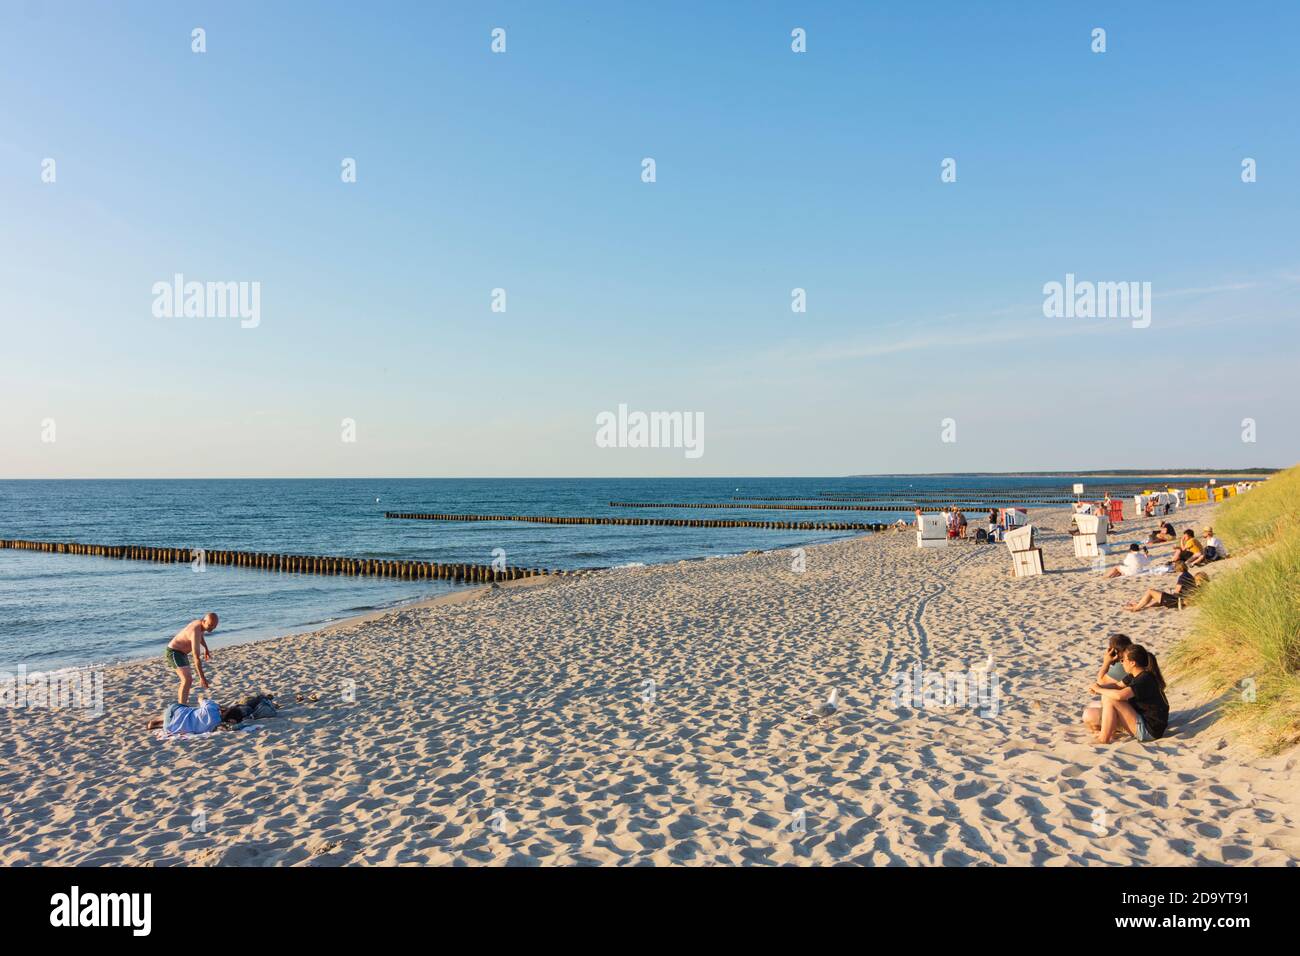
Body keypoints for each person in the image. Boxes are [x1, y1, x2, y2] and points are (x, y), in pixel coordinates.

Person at [1090, 644, 1169, 744]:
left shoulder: (1144, 679)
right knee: (1106, 697)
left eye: (1123, 660)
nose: (1121, 663)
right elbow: (1117, 686)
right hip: (1141, 720)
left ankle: (1103, 739)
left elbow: (1120, 695)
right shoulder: (1135, 675)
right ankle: (1107, 732)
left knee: (1111, 699)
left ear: (1132, 663)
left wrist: (1099, 690)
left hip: (1149, 730)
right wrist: (1099, 688)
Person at [1082, 633, 1132, 734]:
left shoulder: (1123, 665)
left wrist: (1106, 662)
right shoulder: (1133, 658)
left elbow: (1101, 681)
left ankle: (1108, 730)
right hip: (1131, 708)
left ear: (1114, 651)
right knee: (1092, 704)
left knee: (1088, 715)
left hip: (1131, 715)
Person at [165, 613, 218, 705]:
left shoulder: (200, 624)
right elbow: (196, 658)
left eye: (214, 626)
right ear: (204, 621)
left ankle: (183, 704)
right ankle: (181, 706)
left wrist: (206, 648)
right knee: (186, 679)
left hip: (182, 653)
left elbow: (200, 636)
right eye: (210, 625)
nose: (212, 628)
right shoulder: (194, 632)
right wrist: (202, 677)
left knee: (188, 680)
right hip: (174, 652)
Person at [1124, 561, 1197, 611]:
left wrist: (1170, 592)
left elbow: (1177, 592)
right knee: (1160, 595)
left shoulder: (1182, 577)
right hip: (1181, 599)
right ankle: (1142, 605)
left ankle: (1136, 608)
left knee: (1151, 591)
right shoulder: (1189, 575)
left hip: (1177, 601)